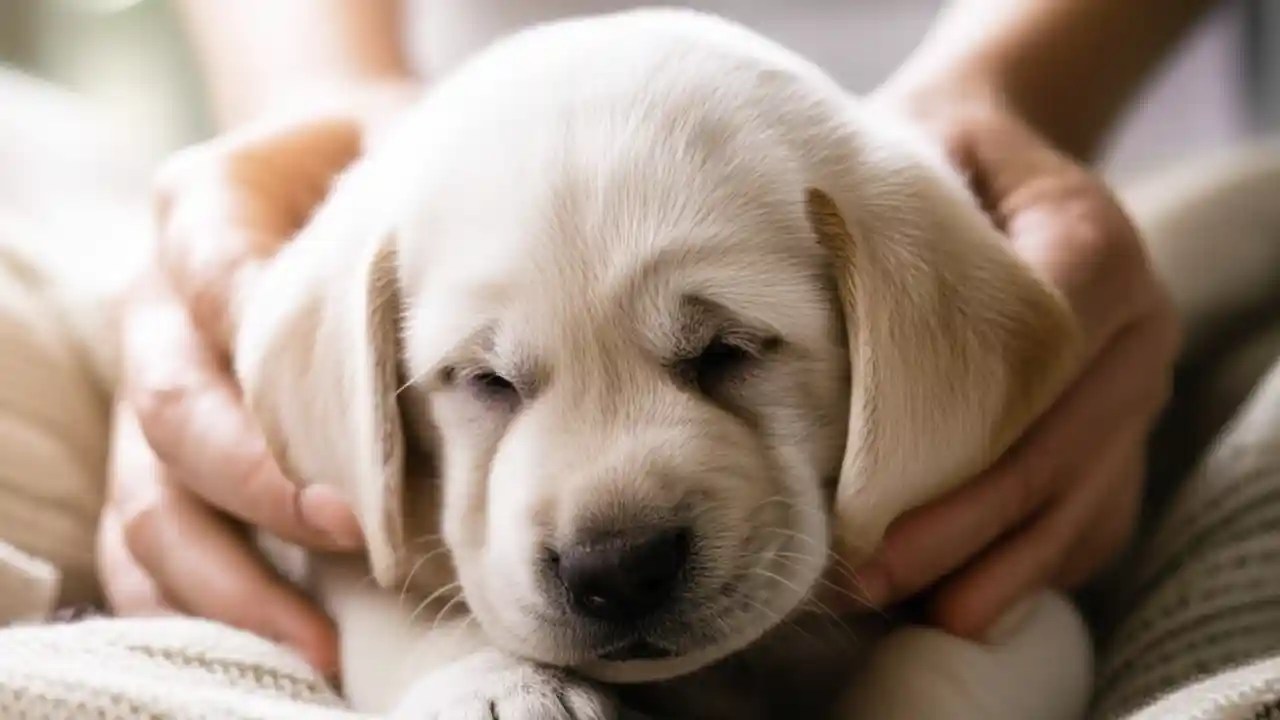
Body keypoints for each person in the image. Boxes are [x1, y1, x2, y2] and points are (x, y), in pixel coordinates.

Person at [99, 0, 1196, 674]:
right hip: (429, 102)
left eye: (722, 354)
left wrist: (1016, 88)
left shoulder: (897, 244)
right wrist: (318, 123)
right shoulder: (379, 279)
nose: (607, 549)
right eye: (485, 379)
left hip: (1114, 155)